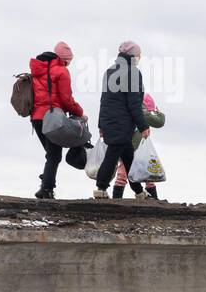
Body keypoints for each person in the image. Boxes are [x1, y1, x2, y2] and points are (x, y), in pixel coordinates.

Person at [29, 41, 88, 199]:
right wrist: (80, 113)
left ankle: (47, 181)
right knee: (54, 155)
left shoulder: (38, 70)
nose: (69, 64)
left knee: (51, 154)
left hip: (36, 118)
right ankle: (46, 189)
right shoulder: (61, 71)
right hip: (52, 118)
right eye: (69, 60)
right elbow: (67, 99)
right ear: (64, 59)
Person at [95, 41, 150, 200]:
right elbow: (134, 103)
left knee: (128, 157)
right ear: (133, 56)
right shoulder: (133, 72)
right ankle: (101, 188)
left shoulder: (109, 71)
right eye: (139, 55)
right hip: (123, 122)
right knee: (112, 155)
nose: (140, 58)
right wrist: (143, 126)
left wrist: (101, 124)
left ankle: (139, 192)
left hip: (109, 120)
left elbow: (103, 100)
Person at [111, 93, 166, 199]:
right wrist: (157, 112)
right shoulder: (143, 114)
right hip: (141, 152)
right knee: (148, 176)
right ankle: (153, 199)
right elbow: (159, 122)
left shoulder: (126, 112)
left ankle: (116, 199)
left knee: (122, 175)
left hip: (126, 149)